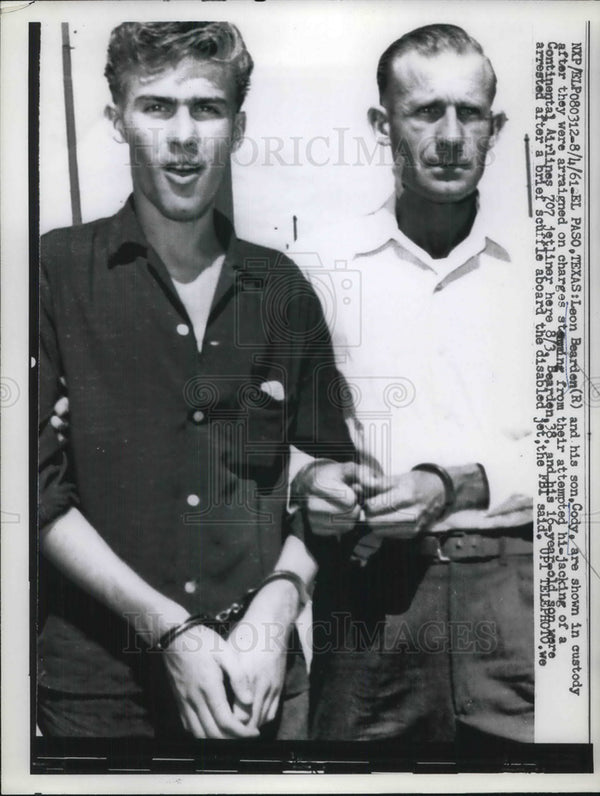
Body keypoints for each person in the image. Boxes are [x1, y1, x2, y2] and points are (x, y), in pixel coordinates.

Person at [37, 21, 355, 740]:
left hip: (259, 683)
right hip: (98, 695)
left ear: (237, 127)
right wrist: (171, 631)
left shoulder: (282, 289)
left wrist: (276, 613)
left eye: (206, 108)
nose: (183, 136)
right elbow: (33, 489)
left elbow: (331, 476)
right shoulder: (52, 274)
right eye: (156, 106)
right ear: (117, 119)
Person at [291, 23, 535, 744]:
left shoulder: (553, 267)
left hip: (521, 600)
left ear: (496, 128)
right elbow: (265, 436)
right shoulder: (319, 267)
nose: (452, 137)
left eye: (471, 113)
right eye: (427, 111)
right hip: (371, 607)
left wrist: (457, 484)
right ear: (382, 125)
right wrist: (310, 482)